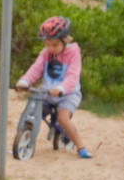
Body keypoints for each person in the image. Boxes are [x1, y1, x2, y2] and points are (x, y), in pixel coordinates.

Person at [15, 16, 92, 159]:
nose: (51, 48)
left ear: (65, 40)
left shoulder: (73, 53)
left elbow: (73, 76)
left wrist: (62, 88)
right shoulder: (46, 53)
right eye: (47, 44)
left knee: (63, 119)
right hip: (46, 94)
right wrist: (24, 81)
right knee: (32, 114)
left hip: (68, 94)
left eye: (55, 45)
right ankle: (24, 141)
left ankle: (81, 147)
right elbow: (36, 69)